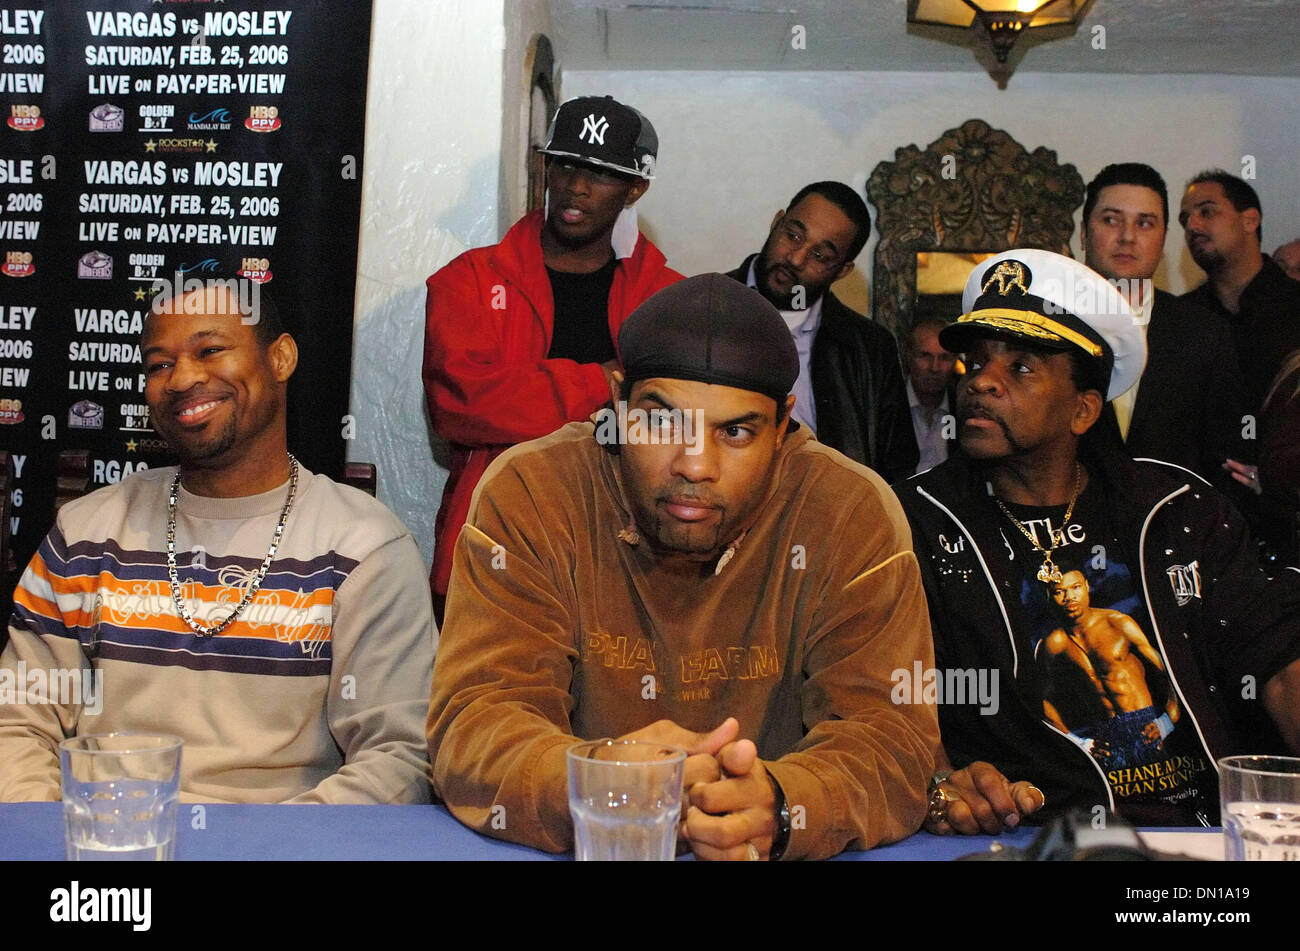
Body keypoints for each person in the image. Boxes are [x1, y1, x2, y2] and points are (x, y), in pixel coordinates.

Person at [428, 273, 939, 860]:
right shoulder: (533, 493)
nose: (695, 465)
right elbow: (477, 722)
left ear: (782, 427)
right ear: (619, 404)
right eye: (663, 421)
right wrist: (602, 780)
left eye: (737, 431)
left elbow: (893, 739)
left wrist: (779, 803)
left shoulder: (850, 513)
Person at [895, 249, 1300, 833]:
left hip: (1204, 831)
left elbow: (1280, 652)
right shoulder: (913, 523)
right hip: (1034, 836)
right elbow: (877, 699)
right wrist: (937, 781)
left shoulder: (1175, 510)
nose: (981, 380)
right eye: (978, 362)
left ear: (1084, 410)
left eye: (1021, 367)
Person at [0, 283, 436, 803]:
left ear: (280, 358)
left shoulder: (364, 548)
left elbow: (401, 756)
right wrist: (58, 837)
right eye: (159, 365)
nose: (182, 378)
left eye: (209, 351)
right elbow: (19, 723)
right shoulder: (85, 533)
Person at [423, 95, 681, 619]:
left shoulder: (668, 300)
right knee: (482, 703)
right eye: (565, 164)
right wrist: (608, 384)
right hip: (492, 550)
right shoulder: (468, 281)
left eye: (601, 173)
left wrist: (531, 392)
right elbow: (464, 404)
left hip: (626, 561)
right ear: (546, 166)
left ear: (636, 188)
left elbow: (670, 423)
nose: (576, 186)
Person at [725, 182, 917, 483]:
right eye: (793, 235)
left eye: (820, 256)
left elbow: (896, 469)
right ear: (777, 222)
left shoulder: (870, 349)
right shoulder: (704, 308)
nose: (796, 259)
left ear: (842, 270)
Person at [1080, 163, 1251, 492]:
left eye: (1145, 223)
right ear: (1085, 233)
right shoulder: (1046, 329)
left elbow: (1226, 463)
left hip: (1175, 531)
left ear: (1163, 241)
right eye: (1111, 220)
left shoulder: (1205, 335)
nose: (1128, 237)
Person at [1179, 170, 1300, 414]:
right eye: (1185, 220)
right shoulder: (1181, 319)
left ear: (1250, 220)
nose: (1192, 225)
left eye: (1206, 211)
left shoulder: (1294, 305)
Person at [902, 317, 957, 473]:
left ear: (955, 360)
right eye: (925, 356)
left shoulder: (963, 410)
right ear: (908, 356)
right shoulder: (888, 407)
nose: (935, 367)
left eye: (944, 357)